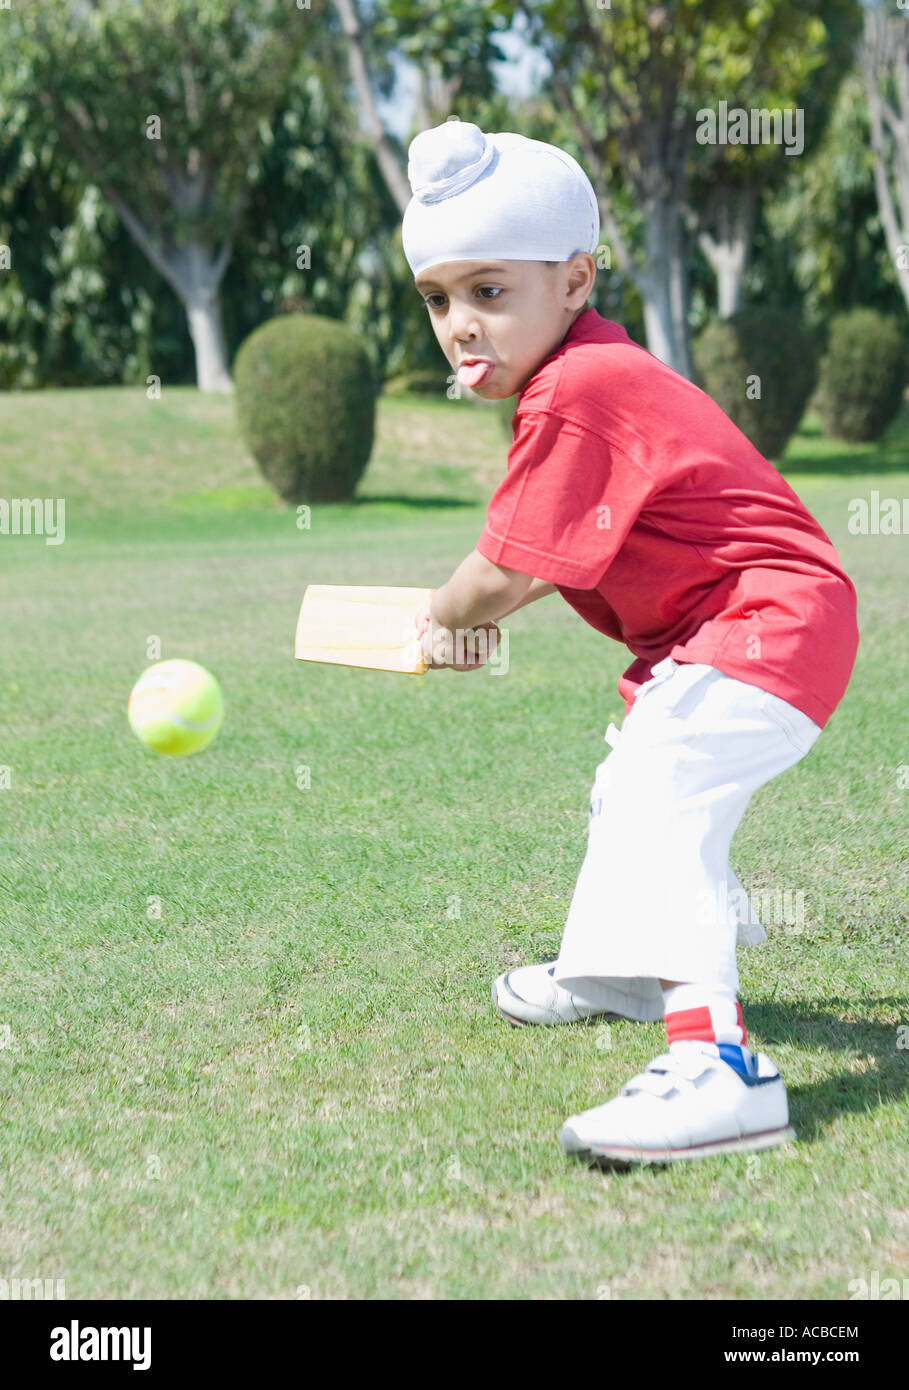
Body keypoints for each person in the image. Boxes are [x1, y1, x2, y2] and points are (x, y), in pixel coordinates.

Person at [403, 118, 859, 1168]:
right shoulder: (576, 374)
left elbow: (509, 569)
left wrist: (436, 619)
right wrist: (462, 622)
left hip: (770, 616)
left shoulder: (577, 387)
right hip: (733, 623)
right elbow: (545, 561)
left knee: (662, 792)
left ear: (573, 280)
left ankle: (722, 1072)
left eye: (488, 291)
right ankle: (614, 966)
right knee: (630, 788)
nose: (461, 324)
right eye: (438, 299)